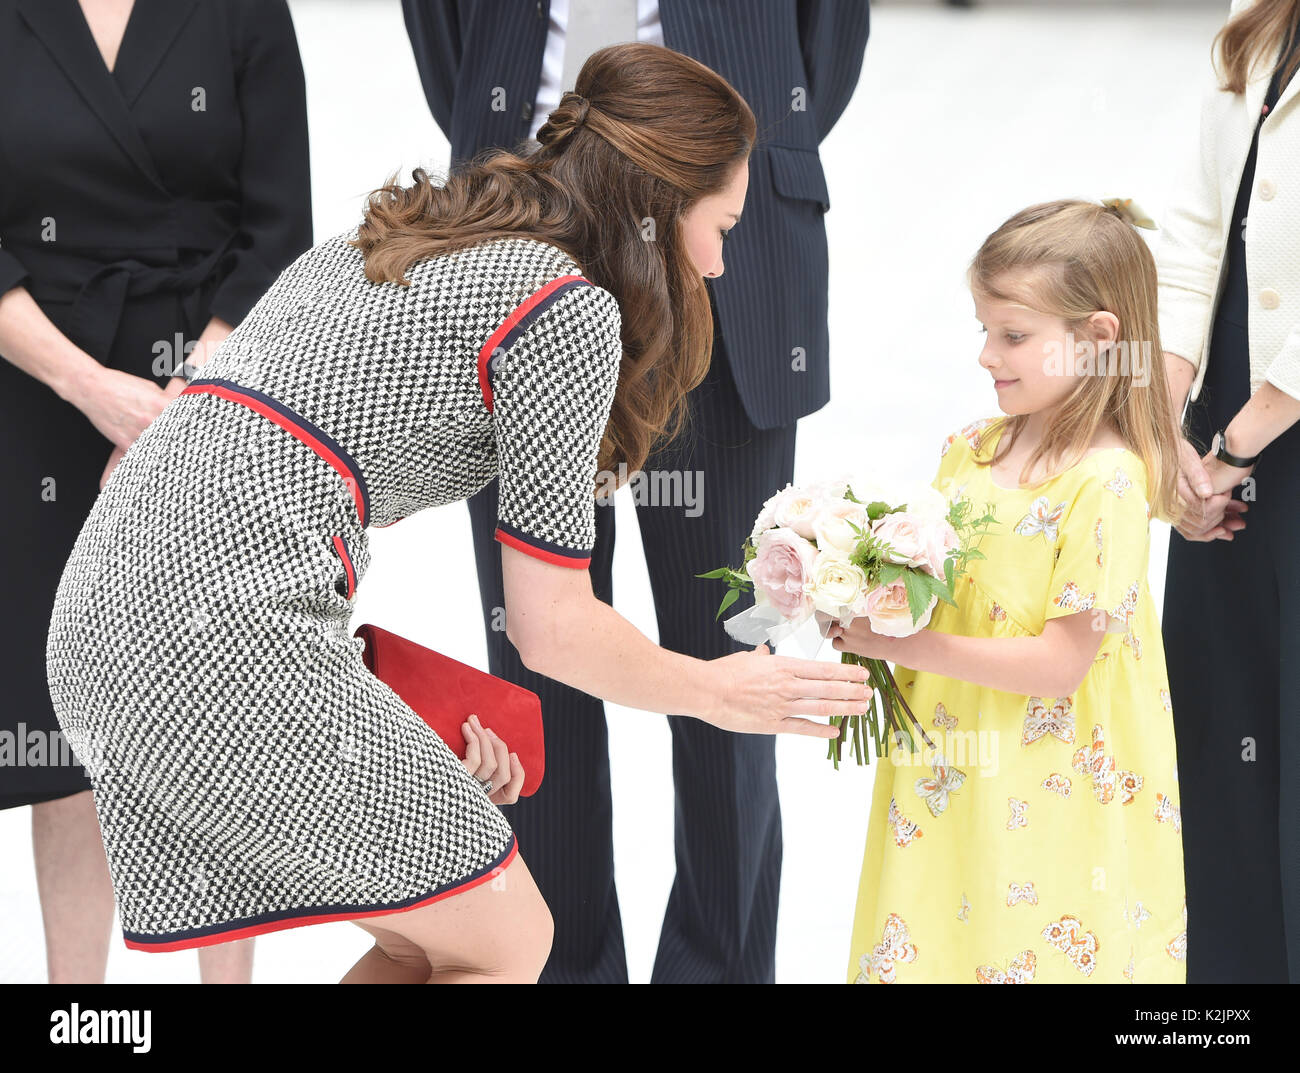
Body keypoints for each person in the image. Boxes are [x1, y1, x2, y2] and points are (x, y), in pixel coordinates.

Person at [41, 41, 873, 985]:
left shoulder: (389, 243)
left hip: (93, 626)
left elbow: (248, 472)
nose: (722, 266)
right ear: (657, 209)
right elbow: (550, 627)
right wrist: (719, 691)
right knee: (511, 936)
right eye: (721, 225)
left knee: (431, 932)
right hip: (226, 636)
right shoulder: (565, 307)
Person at [401, 0, 870, 984]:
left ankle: (718, 968)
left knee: (728, 661)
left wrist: (722, 159)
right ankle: (562, 966)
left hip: (721, 265)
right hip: (520, 237)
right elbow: (446, 29)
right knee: (539, 660)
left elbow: (824, 38)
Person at [0, 0, 311, 983]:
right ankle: (74, 1006)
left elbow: (280, 228)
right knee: (63, 731)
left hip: (216, 394)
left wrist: (184, 403)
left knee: (218, 718)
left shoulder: (244, 10)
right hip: (34, 388)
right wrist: (86, 386)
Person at [830, 200, 1189, 983]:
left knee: (1027, 940)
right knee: (939, 934)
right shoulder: (971, 449)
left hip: (1048, 778)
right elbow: (934, 590)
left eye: (1014, 336)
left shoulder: (1108, 484)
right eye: (984, 330)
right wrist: (861, 605)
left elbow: (1061, 665)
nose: (988, 355)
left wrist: (904, 642)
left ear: (1099, 338)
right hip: (947, 763)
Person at [1156, 0, 1300, 983]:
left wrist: (1234, 442)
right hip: (1222, 430)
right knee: (1215, 714)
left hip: (1263, 424)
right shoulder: (1258, 26)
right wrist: (1167, 423)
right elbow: (1194, 230)